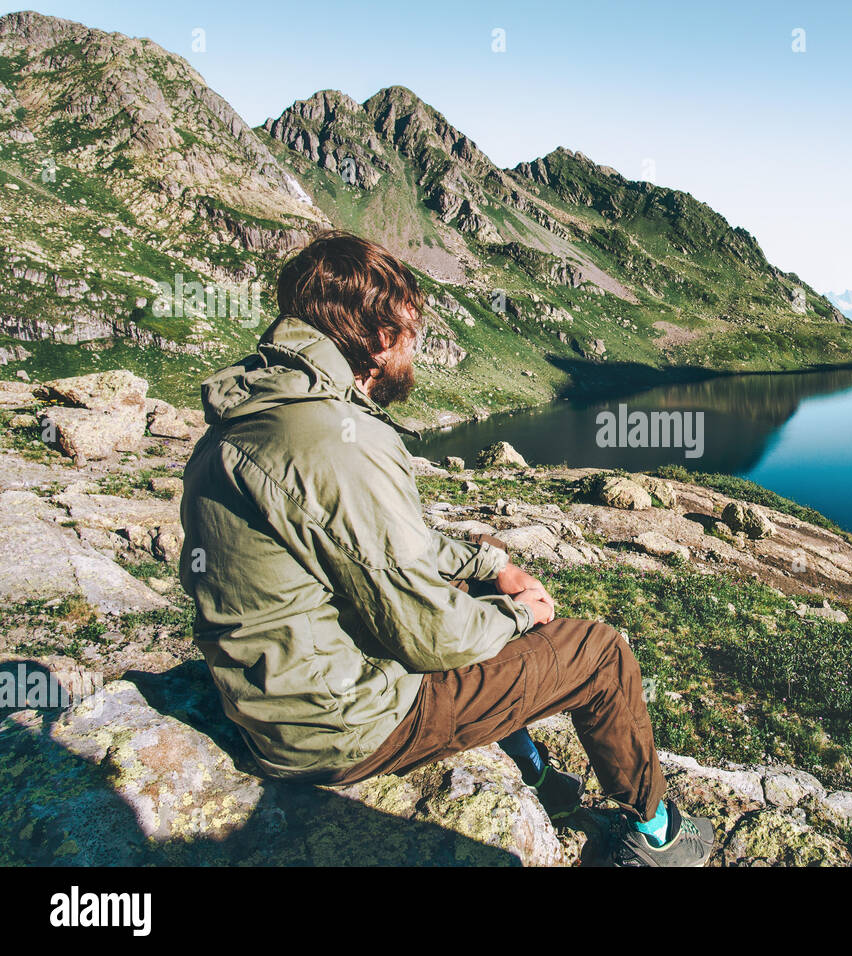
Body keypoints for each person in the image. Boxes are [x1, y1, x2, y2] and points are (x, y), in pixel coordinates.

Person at [178, 229, 713, 866]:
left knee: (477, 599)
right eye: (412, 334)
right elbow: (432, 636)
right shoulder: (338, 442)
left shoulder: (261, 415)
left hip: (270, 701)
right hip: (342, 727)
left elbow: (369, 548)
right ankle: (658, 837)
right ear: (378, 337)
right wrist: (524, 614)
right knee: (598, 655)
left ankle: (540, 780)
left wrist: (490, 566)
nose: (415, 350)